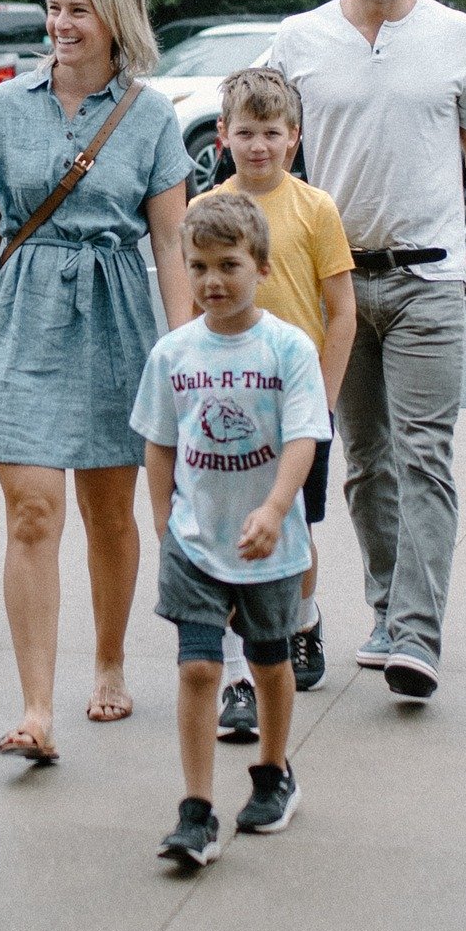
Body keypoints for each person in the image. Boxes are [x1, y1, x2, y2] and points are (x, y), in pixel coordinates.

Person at [268, 0, 466, 703]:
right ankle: (384, 610)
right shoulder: (298, 39)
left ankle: (417, 635)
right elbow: (259, 141)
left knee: (426, 456)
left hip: (429, 280)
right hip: (335, 285)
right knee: (364, 462)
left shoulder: (457, 36)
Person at [0, 0, 194, 763]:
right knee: (31, 511)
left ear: (114, 20)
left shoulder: (152, 115)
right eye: (53, 7)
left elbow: (170, 244)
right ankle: (35, 709)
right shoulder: (7, 108)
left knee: (106, 512)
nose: (59, 24)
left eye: (77, 10)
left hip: (118, 314)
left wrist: (187, 351)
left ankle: (112, 658)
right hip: (22, 313)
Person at [132, 194, 331, 867]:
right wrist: (164, 520)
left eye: (229, 265)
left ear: (263, 268)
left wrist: (275, 509)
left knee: (272, 662)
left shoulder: (287, 348)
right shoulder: (174, 353)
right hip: (196, 541)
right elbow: (160, 441)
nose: (213, 280)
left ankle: (273, 773)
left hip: (269, 546)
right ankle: (196, 811)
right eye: (199, 266)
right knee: (197, 668)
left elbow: (305, 435)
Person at [198, 66, 354, 739]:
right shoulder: (210, 209)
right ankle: (239, 673)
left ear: (294, 138)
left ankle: (303, 618)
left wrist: (323, 398)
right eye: (245, 134)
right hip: (230, 398)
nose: (257, 146)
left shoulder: (314, 209)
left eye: (271, 133)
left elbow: (341, 311)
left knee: (294, 527)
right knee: (233, 529)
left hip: (298, 400)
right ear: (222, 137)